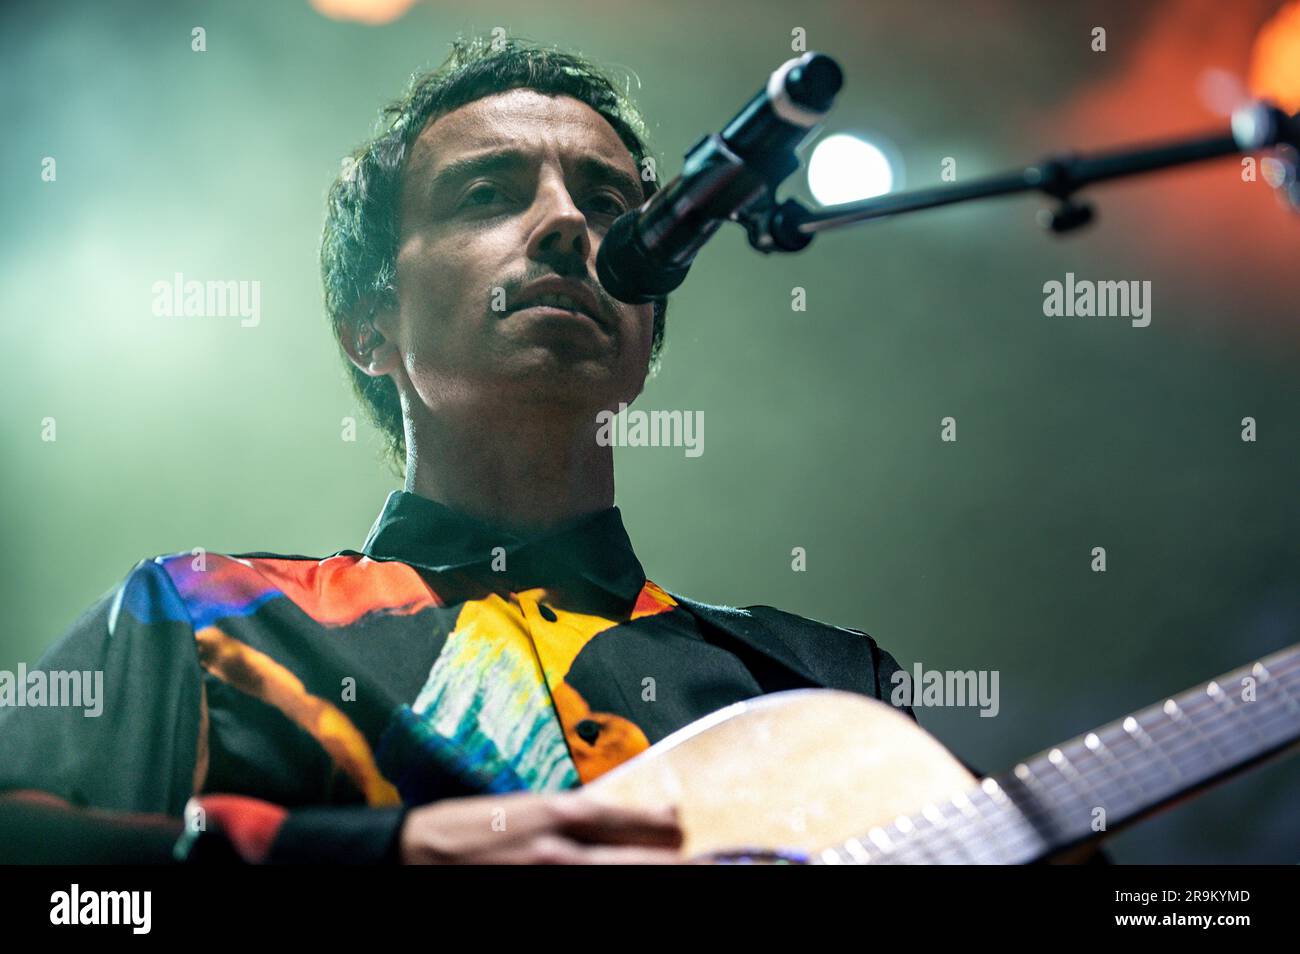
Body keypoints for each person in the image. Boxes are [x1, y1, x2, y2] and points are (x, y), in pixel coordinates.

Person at [0, 36, 914, 865]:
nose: (568, 227)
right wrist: (381, 855)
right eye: (487, 194)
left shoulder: (819, 684)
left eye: (606, 203)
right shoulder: (207, 622)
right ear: (370, 325)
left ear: (644, 341)